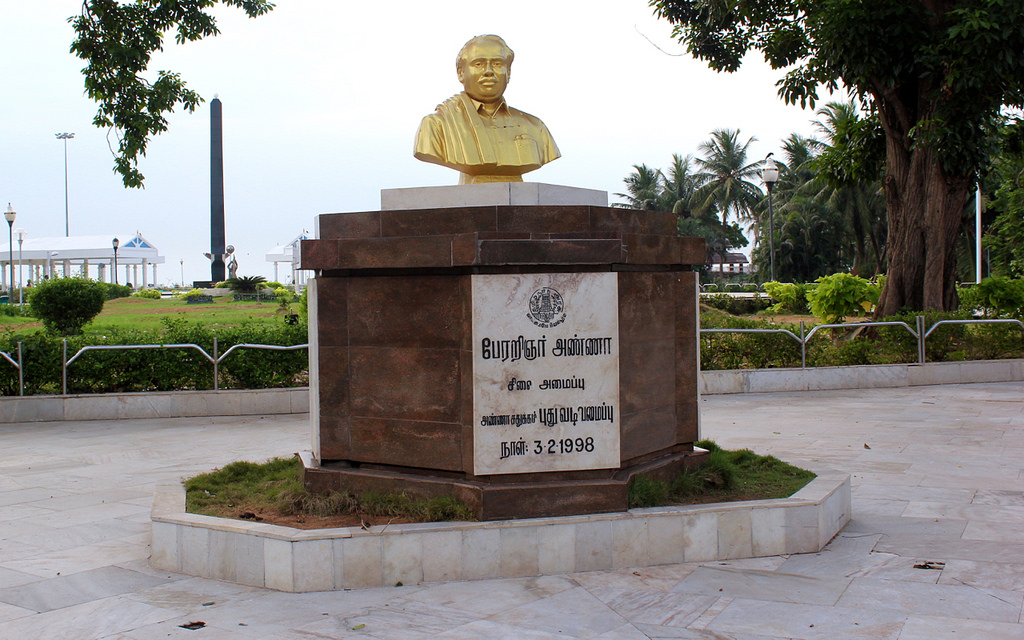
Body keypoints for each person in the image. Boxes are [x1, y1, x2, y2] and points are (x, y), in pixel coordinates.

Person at [414, 35, 560, 184]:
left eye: (497, 64)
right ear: (460, 72)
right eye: (478, 64)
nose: (488, 71)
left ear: (508, 72)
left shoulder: (535, 126)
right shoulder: (437, 125)